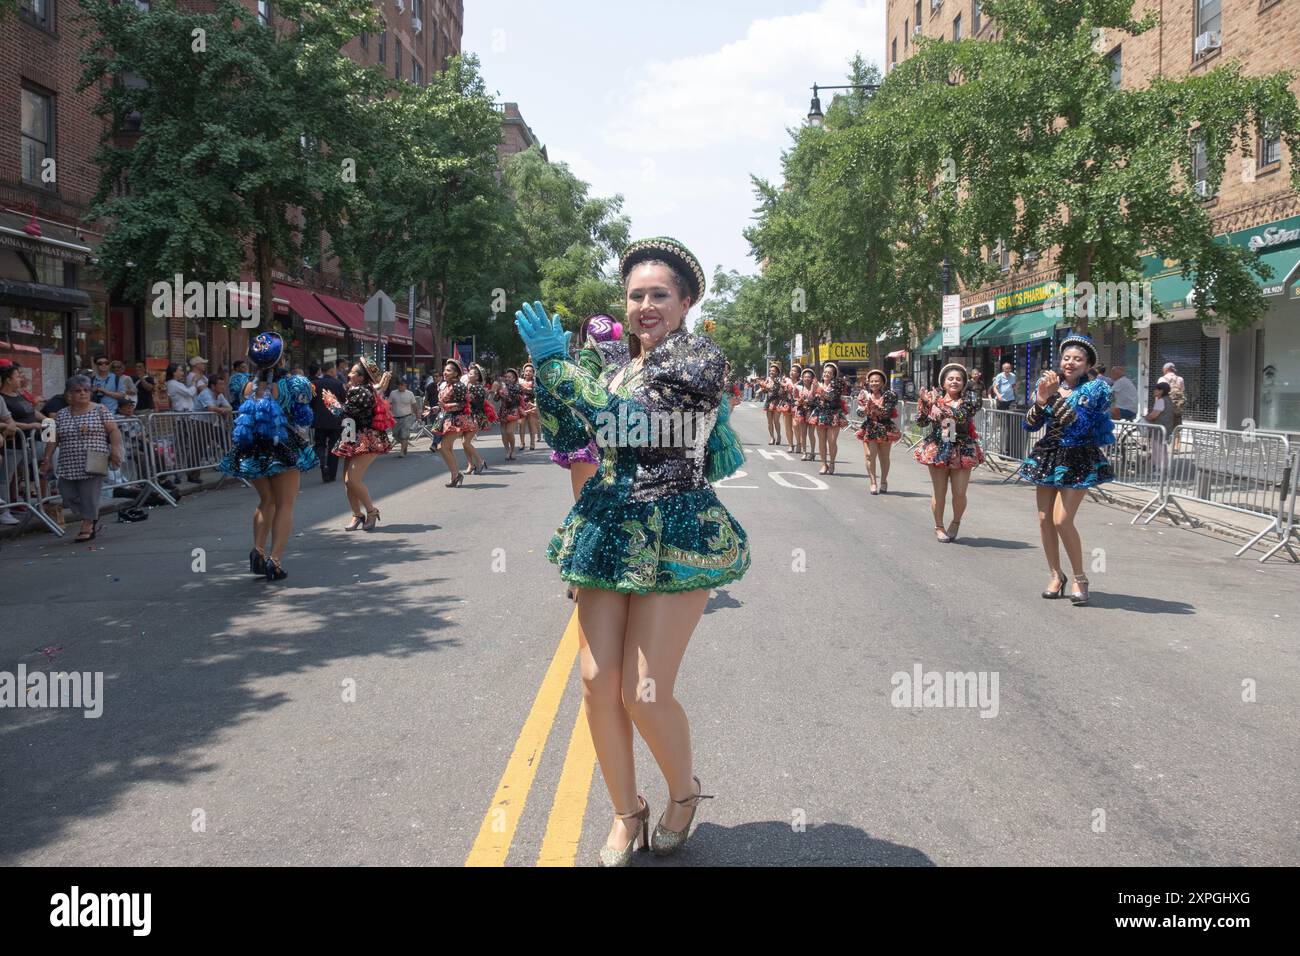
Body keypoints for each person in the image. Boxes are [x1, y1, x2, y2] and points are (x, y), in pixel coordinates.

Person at [515, 237, 748, 867]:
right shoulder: (616, 364)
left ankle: (682, 795)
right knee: (596, 681)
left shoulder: (697, 360)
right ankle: (625, 813)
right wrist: (549, 370)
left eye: (659, 295)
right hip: (608, 523)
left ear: (686, 301)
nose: (646, 305)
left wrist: (563, 369)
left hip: (677, 527)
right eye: (635, 295)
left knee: (644, 691)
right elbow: (576, 434)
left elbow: (630, 422)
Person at [1019, 334, 1114, 606]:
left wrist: (1054, 397)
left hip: (1078, 457)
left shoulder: (1097, 390)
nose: (1070, 363)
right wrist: (1040, 398)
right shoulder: (1048, 385)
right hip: (1049, 455)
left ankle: (1080, 577)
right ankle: (1055, 575)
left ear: (1087, 364)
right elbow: (1030, 426)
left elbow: (1078, 425)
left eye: (1078, 359)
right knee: (1043, 519)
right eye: (1067, 358)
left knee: (1062, 520)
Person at [217, 333, 317, 580]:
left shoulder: (243, 384)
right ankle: (275, 560)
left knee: (265, 501)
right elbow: (303, 414)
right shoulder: (291, 384)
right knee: (285, 504)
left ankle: (257, 551)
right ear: (280, 358)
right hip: (282, 447)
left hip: (251, 449)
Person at [39, 375, 124, 542]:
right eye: (77, 391)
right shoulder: (60, 414)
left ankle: (88, 524)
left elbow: (114, 431)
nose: (83, 394)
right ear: (68, 395)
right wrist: (47, 459)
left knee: (89, 494)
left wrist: (115, 450)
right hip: (68, 461)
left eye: (86, 390)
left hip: (94, 459)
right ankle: (91, 515)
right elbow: (51, 438)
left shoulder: (101, 409)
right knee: (67, 493)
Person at [914, 363, 984, 542]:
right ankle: (939, 526)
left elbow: (959, 417)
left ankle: (956, 521)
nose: (954, 382)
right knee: (939, 491)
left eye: (958, 379)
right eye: (950, 379)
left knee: (959, 492)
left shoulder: (970, 400)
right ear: (943, 383)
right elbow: (921, 422)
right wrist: (923, 403)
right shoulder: (933, 399)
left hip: (962, 446)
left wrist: (935, 404)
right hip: (939, 446)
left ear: (963, 383)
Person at [327, 357, 394, 529]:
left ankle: (372, 511)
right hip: (352, 436)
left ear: (361, 377)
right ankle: (357, 515)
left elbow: (344, 413)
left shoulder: (362, 392)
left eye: (353, 372)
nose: (348, 374)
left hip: (367, 438)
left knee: (354, 479)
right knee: (348, 481)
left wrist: (331, 402)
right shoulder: (360, 389)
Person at [854, 369, 900, 494]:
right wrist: (864, 409)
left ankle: (884, 481)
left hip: (884, 427)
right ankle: (873, 482)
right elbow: (859, 413)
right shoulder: (864, 394)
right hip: (869, 427)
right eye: (872, 381)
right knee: (870, 456)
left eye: (877, 381)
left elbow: (887, 413)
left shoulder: (889, 395)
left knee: (884, 457)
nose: (874, 383)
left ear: (882, 383)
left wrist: (875, 408)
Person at [429, 359, 473, 485]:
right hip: (445, 418)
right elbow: (443, 405)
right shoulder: (445, 385)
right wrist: (434, 409)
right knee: (445, 448)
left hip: (455, 420)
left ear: (456, 373)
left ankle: (456, 474)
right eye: (445, 370)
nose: (445, 372)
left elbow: (463, 404)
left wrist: (447, 406)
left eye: (448, 370)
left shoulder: (459, 385)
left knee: (442, 447)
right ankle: (455, 474)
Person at [308, 362, 346, 482]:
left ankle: (323, 465)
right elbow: (344, 400)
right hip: (335, 420)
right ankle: (331, 473)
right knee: (333, 447)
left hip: (319, 419)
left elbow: (310, 401)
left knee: (320, 445)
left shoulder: (314, 384)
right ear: (331, 371)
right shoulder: (339, 384)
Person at [811, 361, 848, 475]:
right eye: (825, 372)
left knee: (832, 441)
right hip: (820, 414)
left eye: (829, 372)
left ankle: (832, 463)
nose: (826, 374)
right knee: (821, 441)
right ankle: (823, 464)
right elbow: (813, 399)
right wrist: (813, 391)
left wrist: (819, 389)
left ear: (833, 375)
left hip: (833, 414)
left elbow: (831, 397)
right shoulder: (818, 384)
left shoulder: (837, 384)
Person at [1144, 381, 1175, 473]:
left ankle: (1159, 469)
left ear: (1161, 391)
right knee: (1162, 448)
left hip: (1159, 428)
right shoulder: (1168, 400)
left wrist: (1145, 417)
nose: (1154, 391)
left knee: (1158, 449)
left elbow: (1154, 415)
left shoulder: (1161, 401)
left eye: (1156, 389)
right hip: (1166, 427)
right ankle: (1162, 468)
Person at [493, 368, 523, 461]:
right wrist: (496, 391)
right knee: (503, 433)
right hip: (503, 411)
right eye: (506, 377)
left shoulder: (517, 387)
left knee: (509, 432)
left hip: (513, 411)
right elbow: (496, 399)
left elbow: (510, 399)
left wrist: (500, 390)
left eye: (509, 377)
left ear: (514, 379)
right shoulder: (502, 387)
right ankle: (507, 451)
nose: (507, 378)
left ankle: (513, 450)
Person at [793, 367, 819, 461]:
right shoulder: (798, 387)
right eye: (805, 377)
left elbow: (816, 399)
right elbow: (794, 399)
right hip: (802, 412)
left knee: (811, 433)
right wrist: (798, 402)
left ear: (812, 378)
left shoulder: (816, 388)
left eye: (809, 377)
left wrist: (812, 391)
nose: (807, 378)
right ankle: (804, 452)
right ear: (802, 378)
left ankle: (812, 452)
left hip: (812, 412)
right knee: (803, 433)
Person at [388, 376, 418, 457]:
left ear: (406, 386)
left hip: (407, 417)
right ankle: (404, 445)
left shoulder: (410, 394)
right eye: (400, 385)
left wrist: (418, 415)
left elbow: (414, 405)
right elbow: (388, 404)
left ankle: (401, 452)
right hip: (395, 418)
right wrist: (388, 413)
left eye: (403, 385)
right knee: (395, 434)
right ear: (397, 386)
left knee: (404, 435)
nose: (402, 387)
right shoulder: (393, 393)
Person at [761, 362, 785, 446]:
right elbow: (764, 390)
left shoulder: (779, 380)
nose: (771, 372)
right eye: (770, 371)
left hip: (777, 402)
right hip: (769, 401)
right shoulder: (767, 379)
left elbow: (780, 390)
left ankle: (778, 436)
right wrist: (763, 388)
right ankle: (772, 437)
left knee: (776, 421)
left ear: (777, 372)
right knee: (769, 421)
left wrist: (770, 387)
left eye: (773, 371)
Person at [518, 363, 540, 451]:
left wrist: (527, 390)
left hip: (531, 406)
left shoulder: (536, 382)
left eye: (530, 371)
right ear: (523, 372)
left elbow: (537, 392)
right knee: (521, 425)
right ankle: (522, 443)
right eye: (526, 371)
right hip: (521, 406)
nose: (528, 373)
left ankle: (532, 443)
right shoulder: (519, 381)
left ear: (533, 372)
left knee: (531, 425)